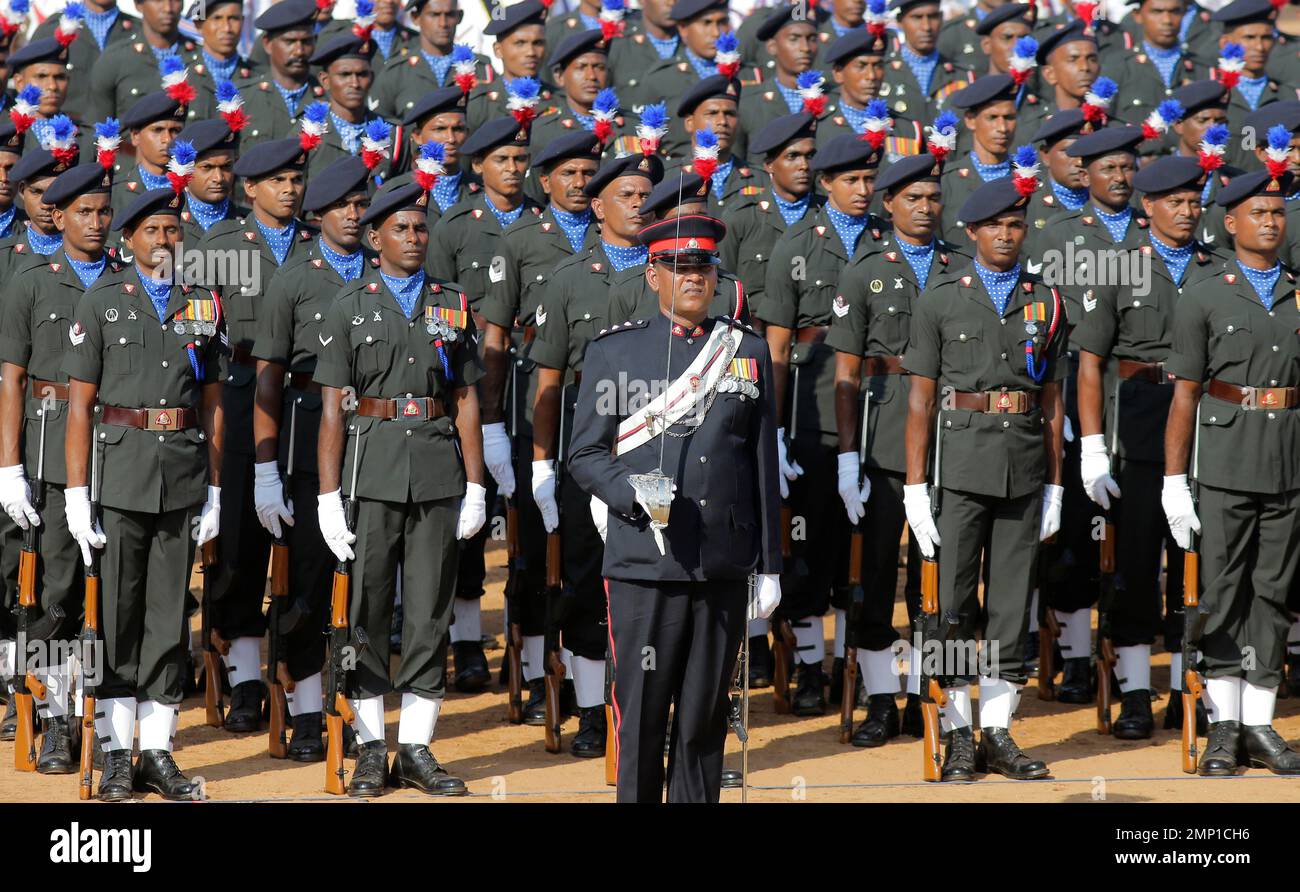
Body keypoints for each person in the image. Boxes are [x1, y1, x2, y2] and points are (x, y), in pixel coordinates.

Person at [567, 212, 783, 802]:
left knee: (703, 723)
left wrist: (769, 564)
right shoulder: (615, 352)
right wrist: (629, 491)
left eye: (703, 266)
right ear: (653, 274)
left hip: (721, 561)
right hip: (646, 561)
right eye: (679, 266)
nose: (693, 277)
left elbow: (761, 463)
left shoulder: (747, 350)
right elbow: (584, 454)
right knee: (641, 720)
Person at [312, 178, 486, 797]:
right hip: (371, 471)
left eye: (420, 228)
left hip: (437, 469)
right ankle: (368, 747)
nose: (413, 238)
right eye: (400, 229)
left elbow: (466, 398)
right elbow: (332, 410)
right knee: (364, 610)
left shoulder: (452, 302)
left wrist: (475, 484)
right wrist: (327, 496)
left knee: (429, 607)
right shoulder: (348, 303)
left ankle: (414, 746)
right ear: (376, 237)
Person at [63, 172, 224, 801]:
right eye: (151, 229)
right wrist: (76, 492)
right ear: (128, 238)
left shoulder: (203, 301)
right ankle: (115, 753)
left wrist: (214, 488)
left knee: (167, 616)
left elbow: (213, 403)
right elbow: (80, 406)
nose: (163, 239)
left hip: (181, 476)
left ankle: (157, 752)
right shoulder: (101, 300)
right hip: (120, 477)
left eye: (172, 229)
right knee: (116, 616)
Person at [901, 166, 1065, 782]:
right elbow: (920, 401)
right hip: (960, 470)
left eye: (1014, 224)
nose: (1005, 234)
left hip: (1023, 468)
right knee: (951, 606)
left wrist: (1056, 485)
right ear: (970, 231)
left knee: (1010, 603)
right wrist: (915, 487)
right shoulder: (941, 298)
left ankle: (997, 732)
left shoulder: (1047, 300)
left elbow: (1053, 402)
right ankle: (957, 733)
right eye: (993, 225)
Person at [1073, 154, 1221, 740]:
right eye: (1175, 202)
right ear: (1149, 206)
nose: (1187, 212)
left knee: (1197, 566)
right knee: (1135, 565)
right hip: (1137, 431)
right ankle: (1135, 692)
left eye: (1194, 202)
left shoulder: (1218, 268)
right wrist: (1092, 447)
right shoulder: (1118, 267)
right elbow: (1090, 363)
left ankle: (1189, 689)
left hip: (1207, 434)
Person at [1163, 167, 1300, 776]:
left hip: (1288, 460)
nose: (1270, 223)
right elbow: (1185, 394)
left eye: (1278, 213)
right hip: (1222, 461)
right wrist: (1173, 481)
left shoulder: (1297, 291)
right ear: (1231, 222)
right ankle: (1223, 723)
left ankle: (1259, 722)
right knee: (1221, 591)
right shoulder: (1203, 293)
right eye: (1258, 214)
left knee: (1272, 590)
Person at [828, 151, 969, 746]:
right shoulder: (864, 270)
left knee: (941, 578)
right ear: (888, 204)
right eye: (913, 198)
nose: (925, 208)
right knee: (878, 574)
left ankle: (929, 693)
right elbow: (846, 373)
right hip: (885, 440)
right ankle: (882, 699)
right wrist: (847, 457)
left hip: (954, 438)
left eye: (934, 197)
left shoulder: (964, 267)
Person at [528, 149, 663, 754]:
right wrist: (541, 464)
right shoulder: (568, 278)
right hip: (589, 453)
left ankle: (647, 705)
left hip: (659, 445)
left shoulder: (671, 272)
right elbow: (549, 379)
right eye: (625, 196)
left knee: (655, 578)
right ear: (599, 206)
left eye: (645, 195)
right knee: (584, 579)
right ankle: (589, 710)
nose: (638, 204)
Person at [0, 123, 123, 776]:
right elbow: (12, 379)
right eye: (85, 212)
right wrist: (9, 467)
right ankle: (54, 718)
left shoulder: (131, 282)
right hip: (49, 451)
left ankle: (99, 715)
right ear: (60, 216)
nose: (97, 223)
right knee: (56, 593)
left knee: (107, 591)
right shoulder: (31, 282)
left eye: (105, 211)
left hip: (118, 452)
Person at [250, 155, 379, 761]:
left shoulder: (385, 273)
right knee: (306, 582)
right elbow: (267, 378)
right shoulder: (294, 279)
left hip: (374, 443)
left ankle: (352, 702)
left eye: (361, 204)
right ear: (318, 214)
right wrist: (265, 470)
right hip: (306, 448)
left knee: (364, 584)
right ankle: (305, 709)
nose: (353, 214)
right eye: (340, 206)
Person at [758, 133, 888, 715]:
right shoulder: (796, 245)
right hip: (812, 416)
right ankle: (810, 667)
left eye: (869, 179)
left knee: (866, 553)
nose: (863, 190)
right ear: (828, 184)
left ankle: (854, 662)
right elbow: (776, 347)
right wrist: (775, 429)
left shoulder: (889, 242)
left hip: (879, 413)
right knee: (809, 547)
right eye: (851, 180)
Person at [198, 137, 316, 733]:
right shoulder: (220, 247)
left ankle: (299, 674)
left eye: (296, 179)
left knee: (304, 547)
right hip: (241, 402)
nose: (290, 190)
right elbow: (195, 336)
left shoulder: (318, 245)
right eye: (277, 180)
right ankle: (245, 678)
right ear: (250, 188)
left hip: (308, 404)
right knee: (241, 548)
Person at [369, 0, 493, 123]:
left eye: (449, 14)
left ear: (459, 17)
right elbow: (378, 124)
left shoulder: (481, 68)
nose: (443, 23)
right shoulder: (396, 72)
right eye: (434, 15)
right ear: (416, 18)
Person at [87, 0, 195, 125]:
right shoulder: (114, 59)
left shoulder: (200, 59)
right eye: (158, 0)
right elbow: (99, 126)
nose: (168, 8)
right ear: (138, 5)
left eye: (175, 0)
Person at [31, 0, 140, 125]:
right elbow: (29, 85)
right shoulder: (52, 29)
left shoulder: (140, 31)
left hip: (124, 133)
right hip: (66, 132)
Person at [235, 0, 326, 147]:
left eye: (306, 42)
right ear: (267, 44)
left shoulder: (329, 100)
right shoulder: (242, 99)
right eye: (290, 42)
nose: (299, 51)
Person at [466, 0, 553, 133]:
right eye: (520, 43)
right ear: (498, 50)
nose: (531, 52)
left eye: (538, 43)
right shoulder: (478, 104)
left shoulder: (560, 101)